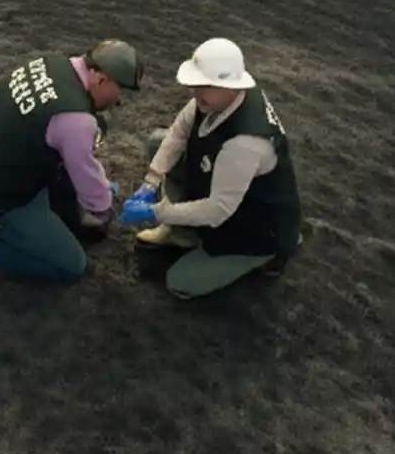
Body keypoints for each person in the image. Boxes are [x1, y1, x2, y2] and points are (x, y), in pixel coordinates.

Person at [0, 39, 144, 282]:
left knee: (72, 179)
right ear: (100, 79)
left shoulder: (53, 64)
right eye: (119, 90)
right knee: (71, 266)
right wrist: (103, 208)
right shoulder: (75, 119)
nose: (119, 101)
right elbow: (91, 189)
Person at [120, 37, 302, 299]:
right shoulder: (213, 100)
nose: (195, 92)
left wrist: (157, 212)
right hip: (230, 193)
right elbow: (177, 133)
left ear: (229, 86)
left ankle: (267, 256)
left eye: (204, 86)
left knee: (180, 281)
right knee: (159, 142)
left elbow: (218, 210)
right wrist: (151, 181)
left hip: (254, 227)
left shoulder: (245, 141)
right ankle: (184, 232)